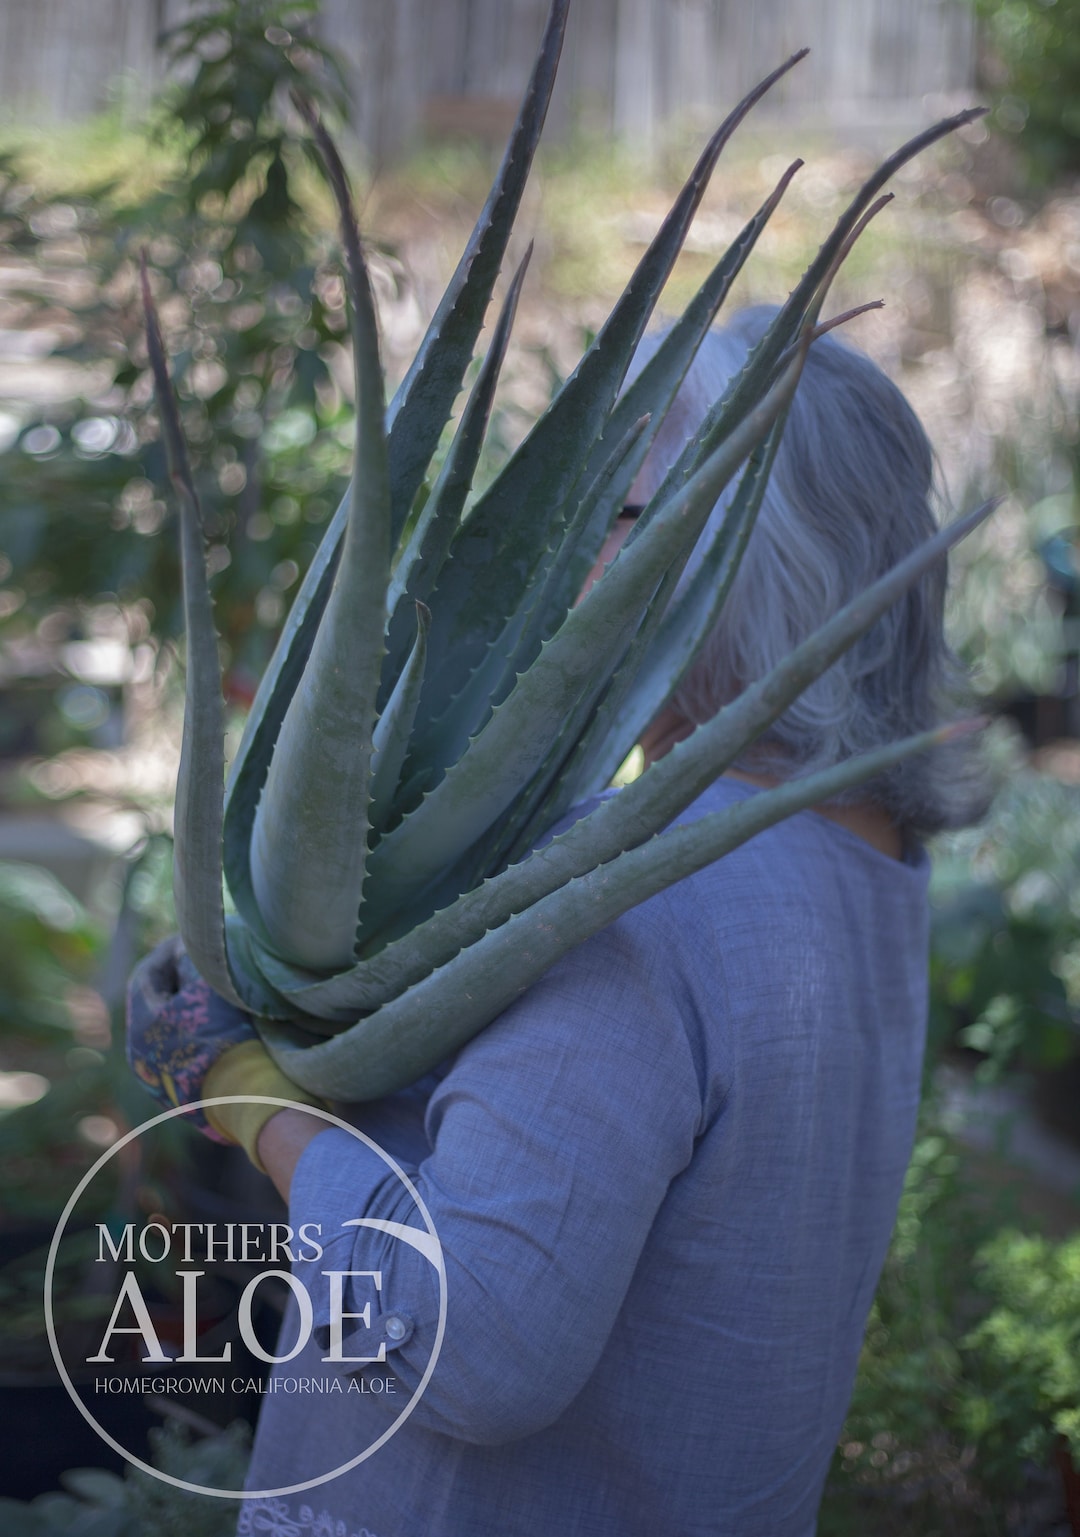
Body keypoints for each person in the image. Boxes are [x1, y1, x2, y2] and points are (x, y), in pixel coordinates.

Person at [127, 307, 988, 1537]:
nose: (577, 565)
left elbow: (471, 1340)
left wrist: (245, 1090)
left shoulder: (638, 895)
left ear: (736, 559)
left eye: (620, 521)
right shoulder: (863, 864)